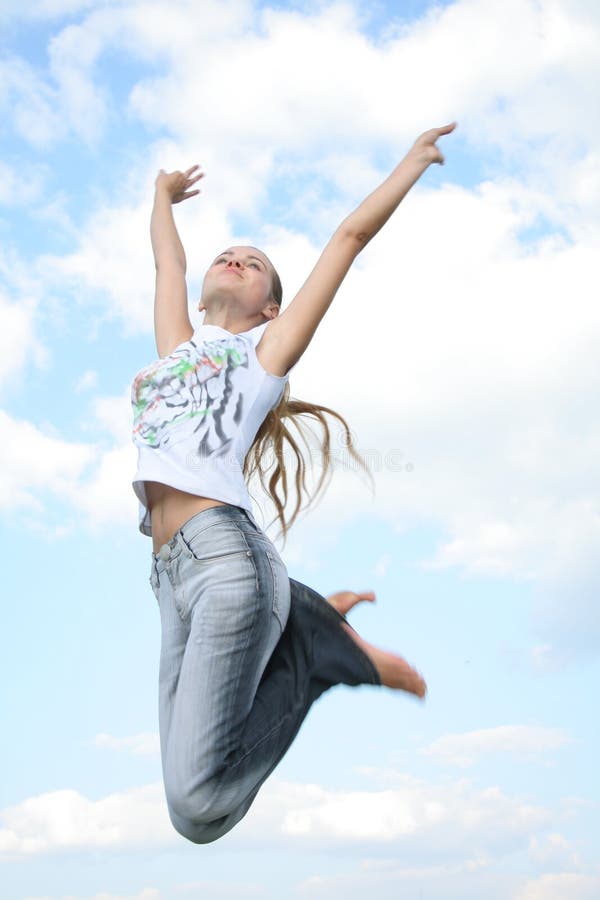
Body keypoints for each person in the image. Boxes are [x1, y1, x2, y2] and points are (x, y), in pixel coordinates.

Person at [130, 121, 456, 844]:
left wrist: (410, 163)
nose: (234, 260)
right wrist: (161, 194)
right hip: (171, 577)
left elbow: (346, 239)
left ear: (269, 309)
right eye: (228, 255)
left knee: (200, 799)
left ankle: (309, 643)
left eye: (253, 264)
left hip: (225, 561)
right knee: (191, 817)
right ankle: (304, 625)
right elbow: (164, 264)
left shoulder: (262, 356)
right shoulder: (176, 351)